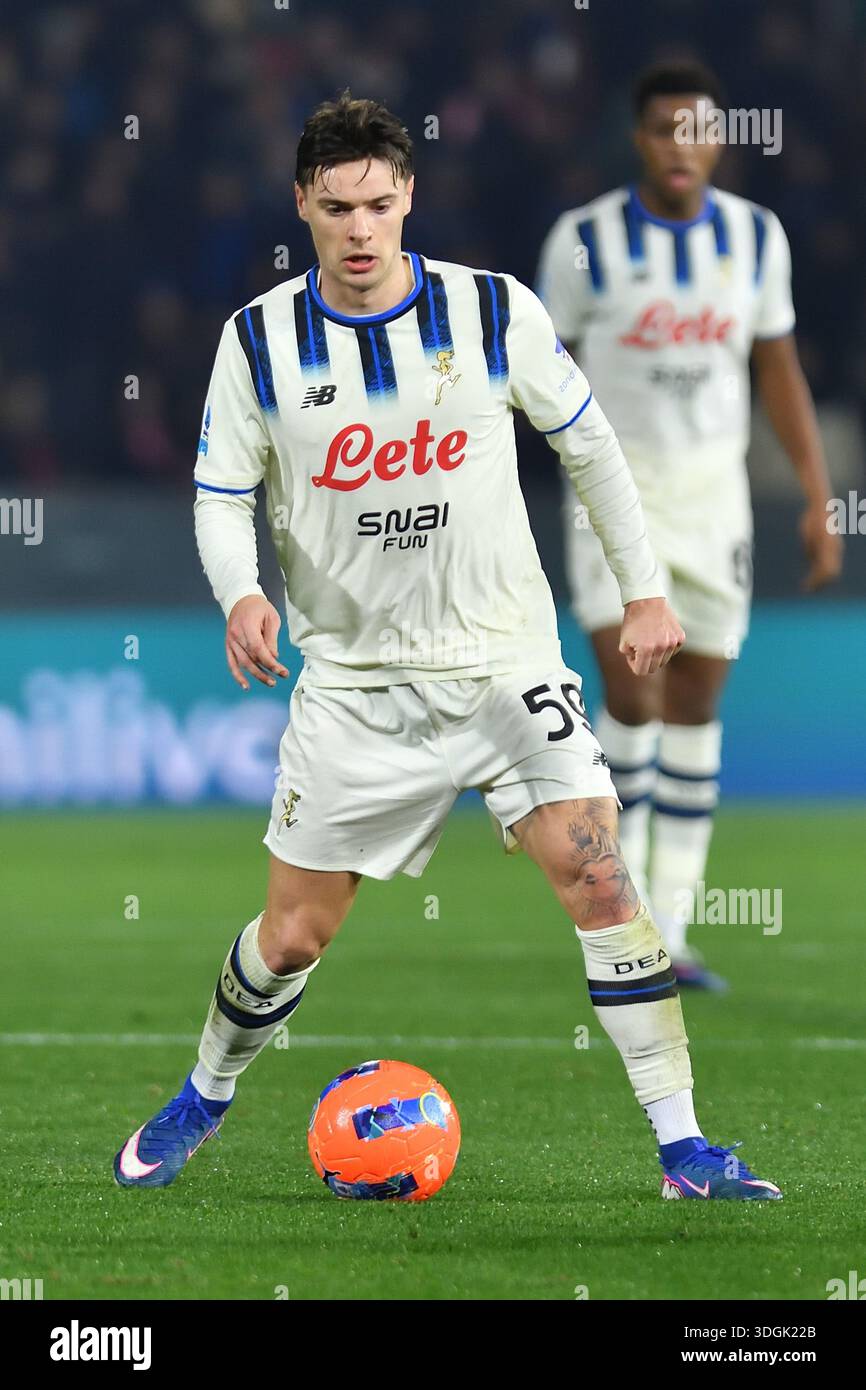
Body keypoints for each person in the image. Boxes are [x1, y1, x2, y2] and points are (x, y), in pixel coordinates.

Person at [114, 92, 780, 1201]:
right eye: (337, 209)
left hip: (505, 665)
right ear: (303, 206)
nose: (362, 228)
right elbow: (220, 495)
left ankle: (681, 1147)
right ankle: (206, 1092)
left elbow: (590, 447)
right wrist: (240, 593)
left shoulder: (491, 311)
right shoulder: (257, 341)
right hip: (357, 688)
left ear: (408, 194)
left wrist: (644, 589)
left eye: (379, 203)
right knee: (290, 935)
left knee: (601, 880)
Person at [536, 61, 841, 990]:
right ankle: (618, 920)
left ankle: (671, 928)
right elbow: (535, 374)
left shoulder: (756, 239)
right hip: (611, 495)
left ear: (719, 139)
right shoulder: (583, 240)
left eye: (699, 129)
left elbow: (777, 369)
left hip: (716, 503)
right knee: (631, 697)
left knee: (699, 703)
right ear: (641, 140)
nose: (683, 145)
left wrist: (818, 495)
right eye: (665, 128)